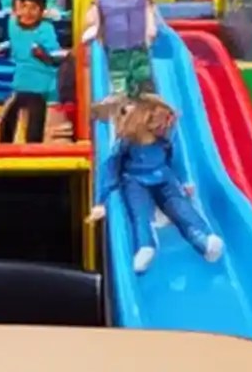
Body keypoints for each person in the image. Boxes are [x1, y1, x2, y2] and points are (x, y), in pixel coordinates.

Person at [89, 95, 225, 274]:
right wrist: (101, 200)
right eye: (161, 128)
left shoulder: (168, 133)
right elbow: (111, 166)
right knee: (139, 213)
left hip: (163, 177)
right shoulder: (130, 137)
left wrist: (184, 180)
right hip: (134, 180)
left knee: (180, 207)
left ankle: (204, 241)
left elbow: (177, 157)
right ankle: (145, 247)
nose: (166, 130)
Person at [0, 0, 69, 143]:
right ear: (15, 9)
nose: (27, 13)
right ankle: (4, 145)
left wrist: (44, 55)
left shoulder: (45, 29)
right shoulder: (13, 25)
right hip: (22, 83)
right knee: (10, 113)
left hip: (42, 86)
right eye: (23, 7)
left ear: (42, 11)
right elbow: (14, 43)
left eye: (33, 8)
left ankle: (33, 145)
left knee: (35, 111)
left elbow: (57, 56)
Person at [82, 0, 160, 102]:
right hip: (115, 50)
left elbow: (149, 8)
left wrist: (151, 27)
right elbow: (93, 16)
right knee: (119, 84)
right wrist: (93, 29)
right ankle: (121, 108)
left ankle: (144, 111)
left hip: (139, 49)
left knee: (143, 81)